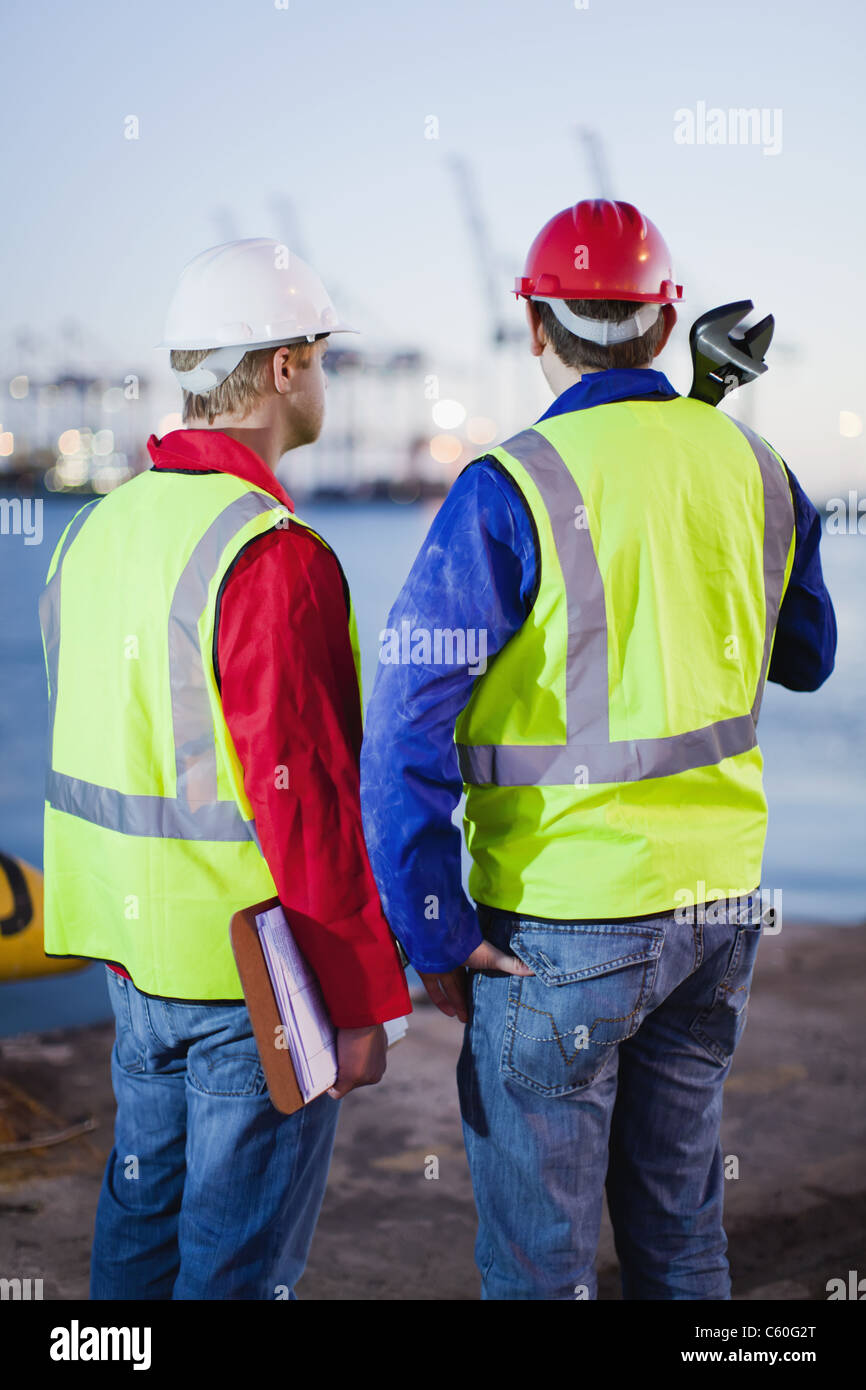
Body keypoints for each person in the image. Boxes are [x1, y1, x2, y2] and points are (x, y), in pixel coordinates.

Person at [360, 200, 836, 1300]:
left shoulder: (508, 484)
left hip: (558, 924)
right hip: (716, 910)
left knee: (541, 1271)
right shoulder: (756, 469)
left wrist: (430, 921)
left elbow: (402, 728)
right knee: (680, 1244)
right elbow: (801, 654)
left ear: (535, 326)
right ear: (664, 330)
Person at [39, 238, 411, 1300]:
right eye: (323, 358)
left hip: (127, 959)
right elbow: (311, 809)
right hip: (253, 984)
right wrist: (358, 1003)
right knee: (235, 1268)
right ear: (285, 368)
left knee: (138, 1233)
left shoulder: (92, 534)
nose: (326, 381)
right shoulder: (270, 551)